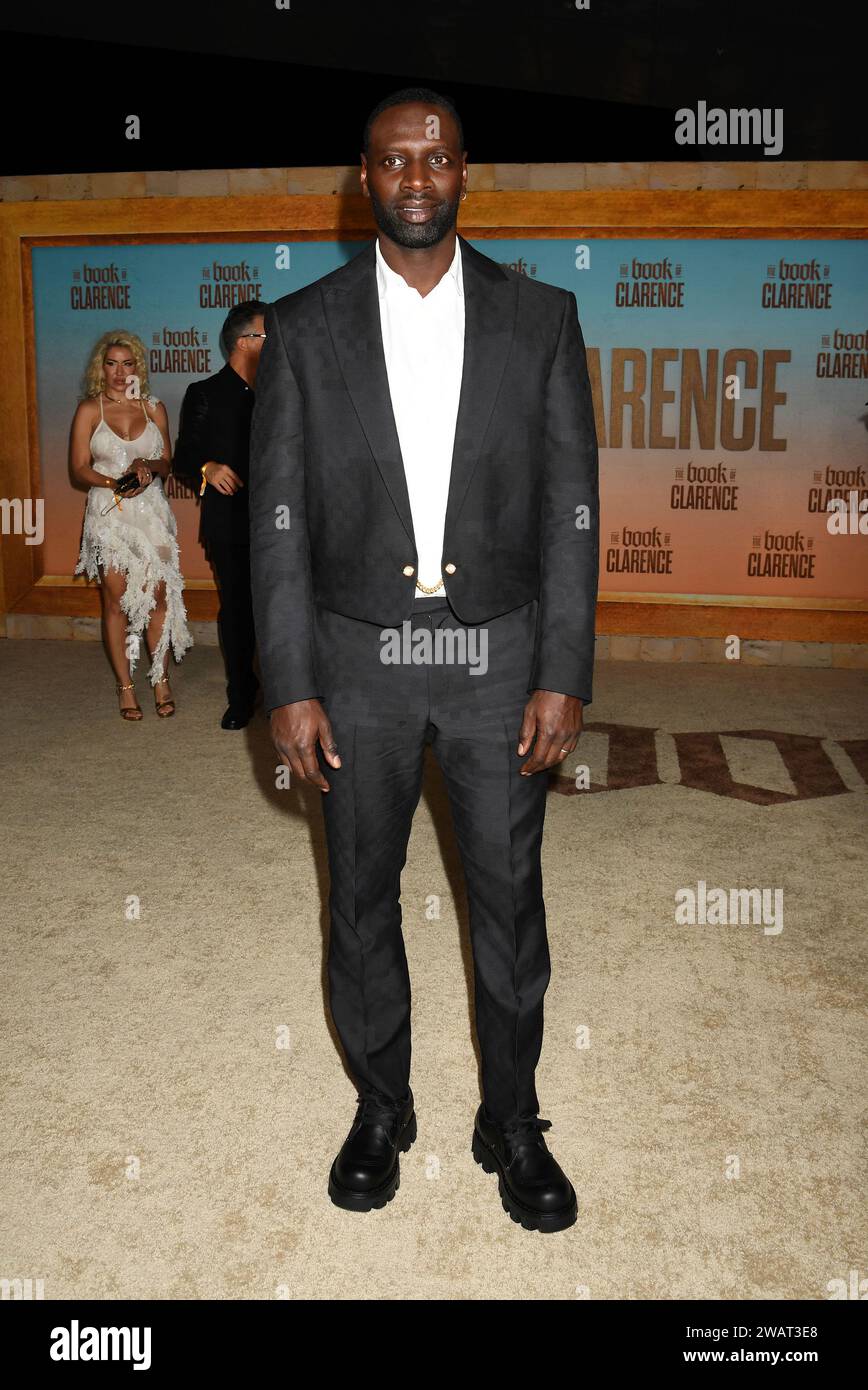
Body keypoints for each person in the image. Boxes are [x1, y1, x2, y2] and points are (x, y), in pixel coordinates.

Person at [249, 89, 599, 1232]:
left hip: (500, 655)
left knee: (507, 904)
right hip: (355, 663)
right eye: (393, 160)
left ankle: (512, 1117)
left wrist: (563, 666)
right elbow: (279, 523)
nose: (414, 177)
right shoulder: (301, 331)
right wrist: (290, 682)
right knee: (359, 900)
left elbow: (570, 512)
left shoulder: (540, 319)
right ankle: (381, 1106)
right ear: (364, 176)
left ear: (465, 173)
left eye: (435, 158)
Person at [70, 330, 192, 719]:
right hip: (109, 515)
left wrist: (147, 467)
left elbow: (167, 463)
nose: (119, 372)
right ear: (100, 369)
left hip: (152, 513)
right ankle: (125, 686)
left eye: (127, 363)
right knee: (116, 601)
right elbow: (78, 469)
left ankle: (160, 678)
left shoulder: (154, 407)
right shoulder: (91, 409)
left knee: (157, 597)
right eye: (111, 364)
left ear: (137, 367)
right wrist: (114, 483)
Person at [171, 301, 268, 729]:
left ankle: (292, 695)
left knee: (286, 610)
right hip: (230, 523)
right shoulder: (205, 392)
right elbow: (184, 457)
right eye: (269, 335)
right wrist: (207, 467)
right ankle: (241, 695)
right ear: (246, 341)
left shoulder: (283, 387)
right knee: (238, 609)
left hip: (285, 523)